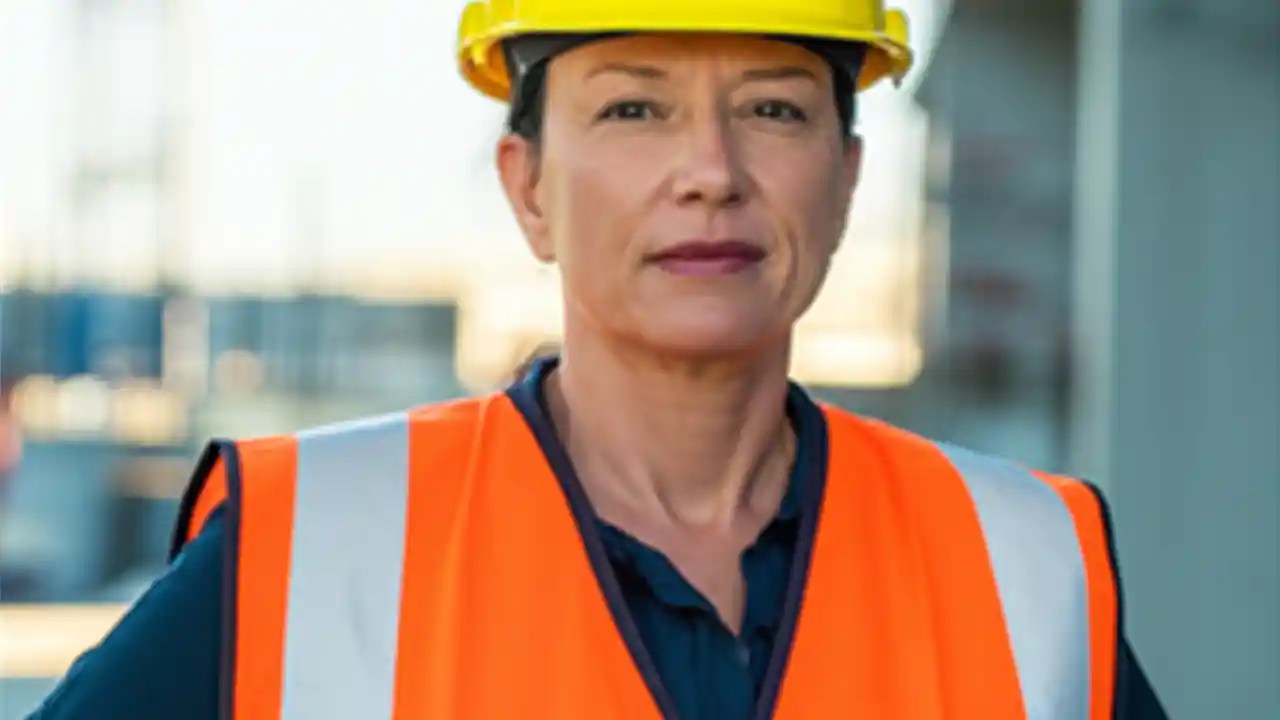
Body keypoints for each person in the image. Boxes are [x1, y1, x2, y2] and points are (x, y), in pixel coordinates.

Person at [31, 1, 1168, 718]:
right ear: (527, 188)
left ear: (847, 179)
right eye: (634, 109)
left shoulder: (1019, 567)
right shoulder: (306, 546)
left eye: (772, 109)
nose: (710, 171)